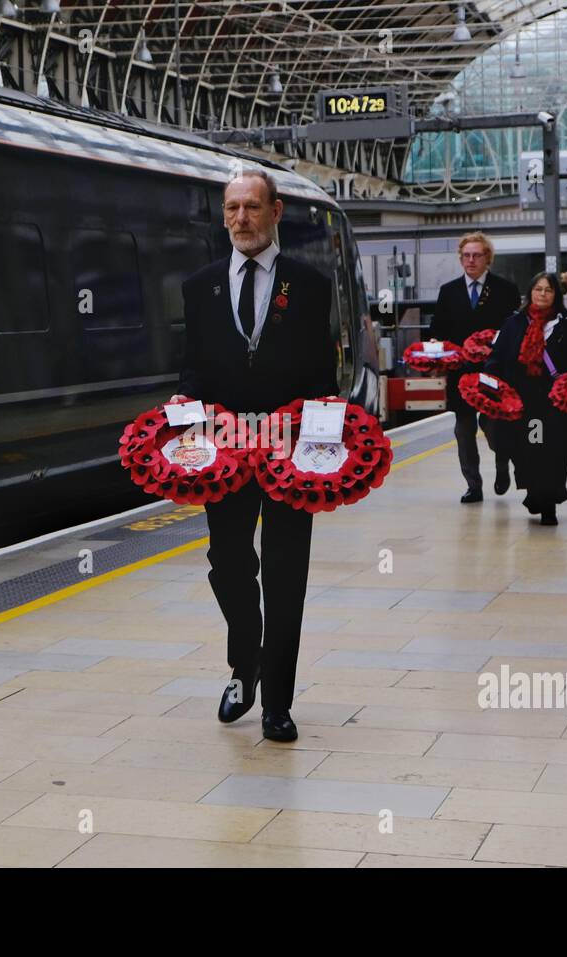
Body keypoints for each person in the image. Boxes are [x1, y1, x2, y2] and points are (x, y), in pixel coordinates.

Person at [174, 168, 337, 743]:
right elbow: (193, 369)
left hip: (289, 457)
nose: (240, 218)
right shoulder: (200, 287)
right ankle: (246, 662)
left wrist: (320, 451)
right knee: (231, 566)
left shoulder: (310, 286)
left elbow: (324, 380)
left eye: (251, 207)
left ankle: (276, 702)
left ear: (275, 211)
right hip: (226, 455)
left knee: (287, 574)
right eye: (232, 208)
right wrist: (184, 404)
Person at [484, 272, 567, 526]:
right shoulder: (513, 324)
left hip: (557, 402)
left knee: (556, 451)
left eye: (548, 290)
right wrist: (494, 384)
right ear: (530, 292)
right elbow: (496, 359)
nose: (542, 294)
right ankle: (536, 493)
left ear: (557, 294)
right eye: (538, 289)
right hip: (523, 401)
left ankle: (549, 503)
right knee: (528, 451)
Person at [429, 232, 521, 503]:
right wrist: (434, 344)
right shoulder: (449, 291)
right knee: (463, 430)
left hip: (494, 373)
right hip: (461, 372)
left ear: (487, 258)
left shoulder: (505, 289)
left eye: (476, 255)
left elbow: (515, 330)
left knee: (493, 427)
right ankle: (473, 484)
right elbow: (438, 328)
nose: (470, 260)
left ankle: (502, 462)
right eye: (466, 255)